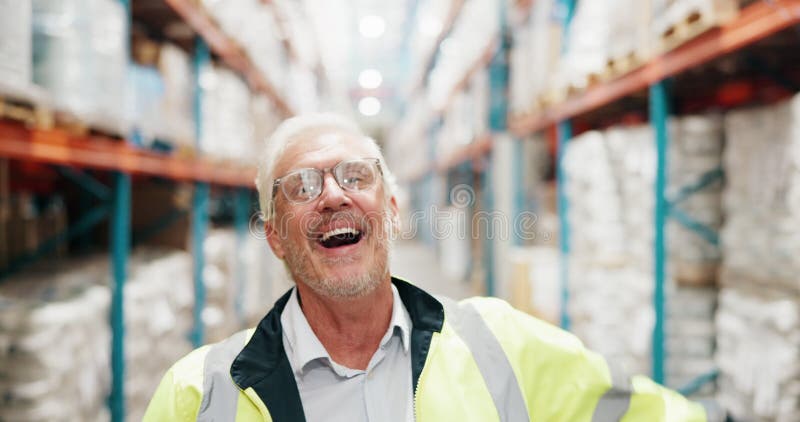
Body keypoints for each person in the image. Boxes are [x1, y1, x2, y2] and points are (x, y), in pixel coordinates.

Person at [144, 113, 724, 422]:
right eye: (301, 186)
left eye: (356, 175)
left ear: (392, 213)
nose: (332, 196)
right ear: (274, 236)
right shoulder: (197, 396)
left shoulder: (503, 346)